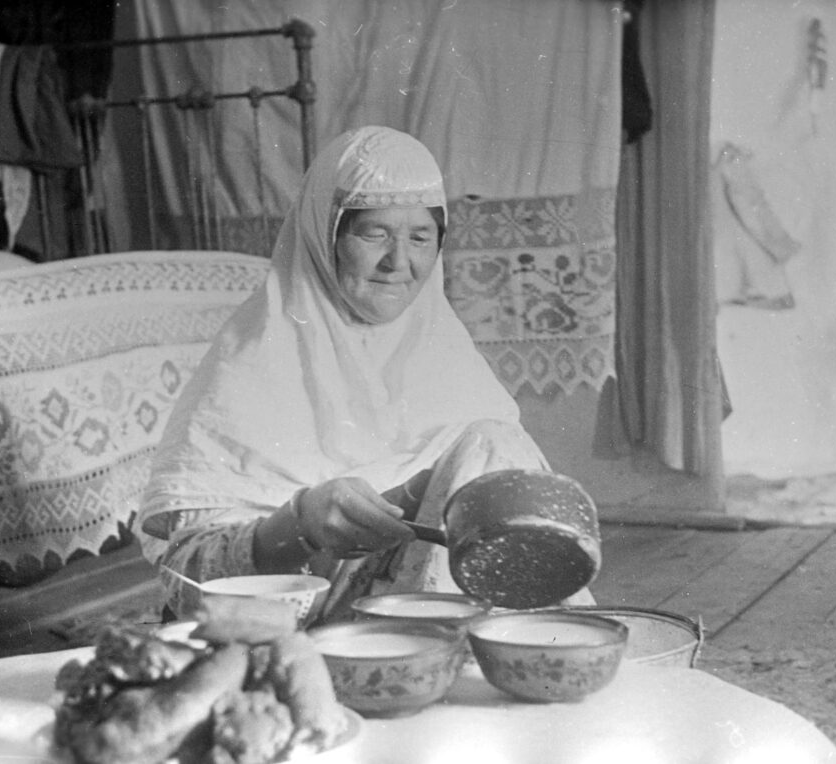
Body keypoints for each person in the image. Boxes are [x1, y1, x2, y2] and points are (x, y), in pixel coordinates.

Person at [135, 125, 593, 620]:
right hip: (301, 627)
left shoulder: (450, 361)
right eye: (374, 233)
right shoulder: (251, 362)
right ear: (324, 234)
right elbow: (186, 588)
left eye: (420, 237)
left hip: (435, 609)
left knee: (494, 443)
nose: (399, 262)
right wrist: (300, 523)